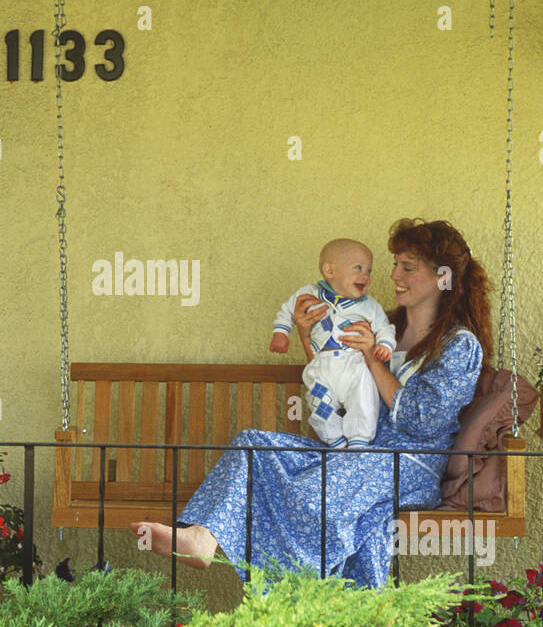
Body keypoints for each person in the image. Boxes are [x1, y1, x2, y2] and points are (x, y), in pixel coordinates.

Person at [132, 219, 493, 590]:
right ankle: (202, 538)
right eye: (395, 264)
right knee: (253, 446)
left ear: (442, 278)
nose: (394, 275)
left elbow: (422, 421)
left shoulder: (458, 346)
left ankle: (297, 607)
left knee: (317, 490)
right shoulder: (381, 323)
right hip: (354, 451)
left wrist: (373, 359)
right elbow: (335, 385)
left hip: (408, 463)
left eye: (408, 267)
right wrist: (307, 336)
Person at [269, 238, 395, 447]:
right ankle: (334, 440)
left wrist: (384, 345)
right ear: (330, 271)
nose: (366, 276)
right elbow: (286, 312)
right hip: (321, 366)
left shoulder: (369, 306)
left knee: (363, 399)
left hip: (353, 365)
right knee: (319, 404)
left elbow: (385, 327)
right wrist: (281, 333)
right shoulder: (307, 295)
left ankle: (359, 440)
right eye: (358, 268)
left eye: (369, 271)